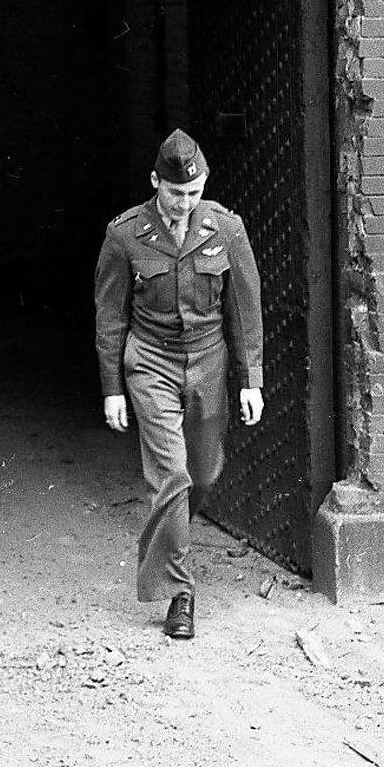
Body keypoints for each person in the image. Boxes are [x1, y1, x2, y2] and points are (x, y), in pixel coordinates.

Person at [93, 130, 264, 640]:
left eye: (193, 194)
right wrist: (111, 388)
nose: (184, 204)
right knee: (171, 475)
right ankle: (179, 593)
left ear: (203, 185)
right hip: (150, 362)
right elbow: (109, 315)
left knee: (204, 471)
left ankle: (168, 538)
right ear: (156, 183)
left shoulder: (225, 229)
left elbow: (244, 310)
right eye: (174, 194)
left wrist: (250, 379)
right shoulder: (125, 235)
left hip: (209, 361)